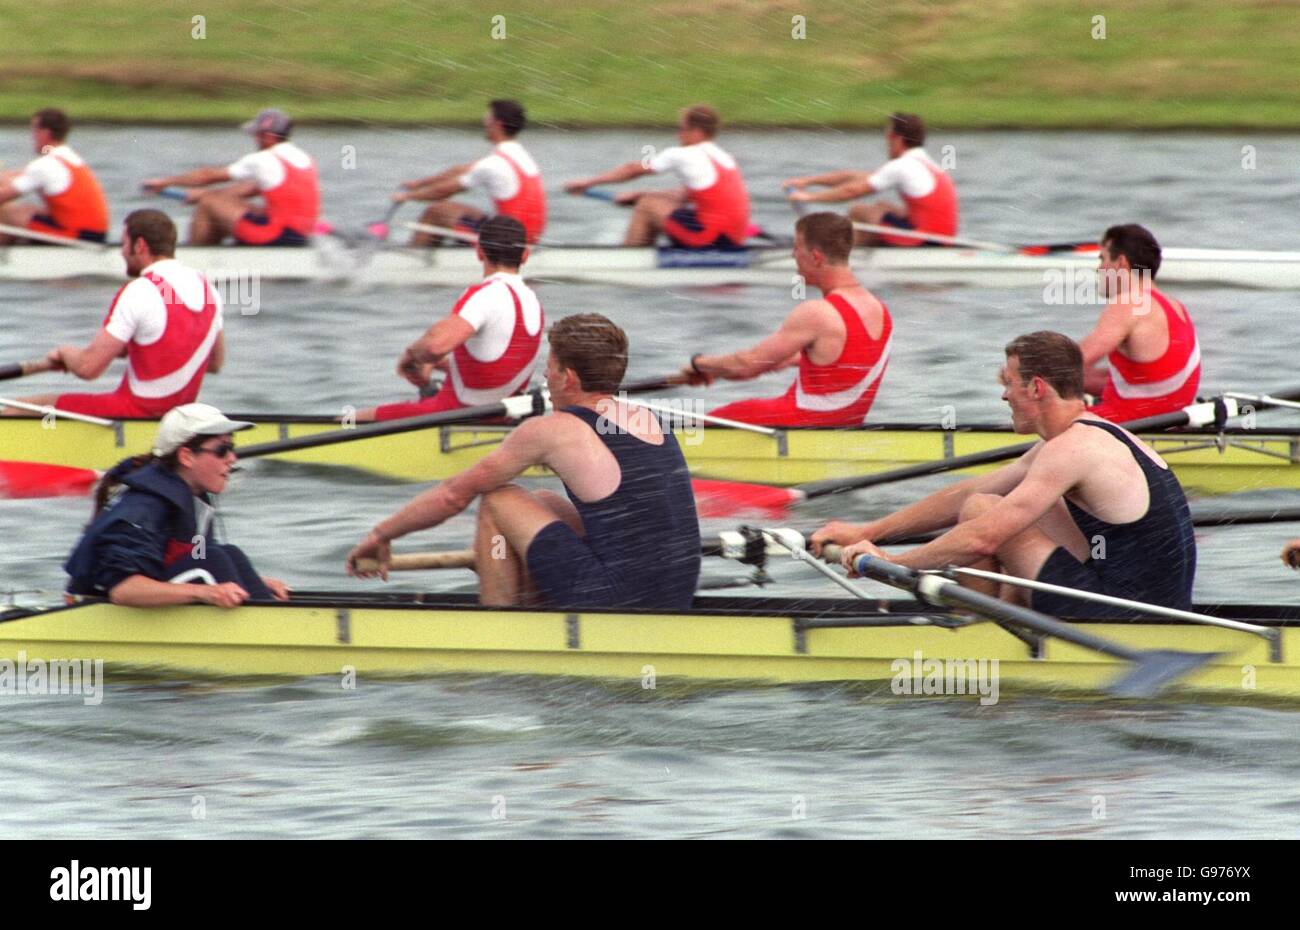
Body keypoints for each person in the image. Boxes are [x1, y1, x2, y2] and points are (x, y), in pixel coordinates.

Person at [812, 331, 1196, 617]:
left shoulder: (1071, 450)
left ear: (1037, 388)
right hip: (1154, 603)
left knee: (984, 513)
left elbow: (981, 538)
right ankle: (997, 613)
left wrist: (893, 564)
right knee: (996, 502)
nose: (1004, 396)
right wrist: (867, 532)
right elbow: (966, 493)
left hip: (1131, 615)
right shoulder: (1088, 436)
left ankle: (976, 631)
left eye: (1008, 384)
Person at [346, 314, 700, 609]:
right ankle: (533, 604)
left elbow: (454, 495)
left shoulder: (552, 431)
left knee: (497, 500)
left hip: (617, 600)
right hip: (674, 597)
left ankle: (501, 629)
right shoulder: (649, 418)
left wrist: (380, 535)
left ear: (569, 378)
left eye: (550, 367)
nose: (545, 378)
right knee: (543, 502)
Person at [1, 210, 225, 419]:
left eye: (124, 243)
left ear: (139, 245)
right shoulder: (208, 290)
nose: (121, 251)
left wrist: (67, 353)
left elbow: (89, 369)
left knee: (17, 409)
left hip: (135, 412)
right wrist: (138, 349)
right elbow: (214, 363)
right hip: (179, 417)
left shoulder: (139, 290)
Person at [64, 403, 289, 607]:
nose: (232, 459)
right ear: (186, 457)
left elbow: (197, 555)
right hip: (93, 610)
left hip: (158, 587)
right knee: (215, 559)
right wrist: (206, 592)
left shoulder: (196, 498)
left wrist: (254, 582)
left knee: (226, 553)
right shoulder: (144, 507)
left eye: (232, 448)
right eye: (222, 450)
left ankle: (272, 617)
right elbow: (124, 591)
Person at [680, 213, 892, 426]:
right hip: (842, 425)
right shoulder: (879, 309)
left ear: (816, 257)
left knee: (698, 427)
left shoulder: (816, 313)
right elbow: (844, 361)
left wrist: (698, 363)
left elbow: (748, 365)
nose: (792, 255)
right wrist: (716, 370)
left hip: (800, 422)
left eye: (797, 247)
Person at [355, 215, 543, 422]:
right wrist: (438, 365)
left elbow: (434, 347)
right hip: (504, 419)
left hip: (457, 416)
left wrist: (411, 356)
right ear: (525, 255)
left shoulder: (485, 295)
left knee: (348, 420)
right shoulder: (533, 301)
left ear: (479, 252)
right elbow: (495, 365)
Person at [564, 104, 750, 248]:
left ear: (696, 132)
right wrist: (640, 195)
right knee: (650, 200)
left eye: (681, 128)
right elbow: (683, 195)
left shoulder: (683, 153)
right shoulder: (725, 158)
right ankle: (644, 256)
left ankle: (629, 263)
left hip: (709, 238)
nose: (678, 134)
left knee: (647, 206)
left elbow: (633, 169)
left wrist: (588, 182)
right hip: (733, 237)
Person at [141, 108, 319, 246]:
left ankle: (193, 259)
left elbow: (207, 176)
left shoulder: (263, 159)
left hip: (278, 234)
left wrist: (164, 182)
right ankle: (219, 252)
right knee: (223, 202)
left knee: (209, 204)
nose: (255, 140)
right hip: (303, 233)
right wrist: (201, 194)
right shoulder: (305, 159)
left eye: (257, 135)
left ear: (268, 136)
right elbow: (250, 189)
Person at [1078, 224, 1200, 422]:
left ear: (1121, 263)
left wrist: (1023, 372)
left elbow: (1070, 362)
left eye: (1103, 259)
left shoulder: (1129, 304)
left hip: (1127, 425)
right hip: (1169, 422)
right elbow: (1148, 380)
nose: (1099, 269)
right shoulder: (1175, 307)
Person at [784, 112, 957, 247]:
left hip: (927, 240)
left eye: (887, 138)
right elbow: (853, 177)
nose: (886, 144)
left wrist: (808, 197)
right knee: (883, 206)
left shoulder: (903, 165)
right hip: (939, 236)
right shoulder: (923, 162)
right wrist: (807, 182)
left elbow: (852, 191)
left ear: (897, 139)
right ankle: (850, 249)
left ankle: (836, 254)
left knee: (858, 210)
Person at [396, 99, 546, 246]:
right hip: (526, 234)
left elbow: (443, 191)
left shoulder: (493, 164)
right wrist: (418, 184)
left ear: (497, 125)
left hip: (507, 241)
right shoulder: (517, 154)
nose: (484, 123)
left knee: (435, 212)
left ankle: (411, 264)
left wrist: (407, 196)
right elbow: (460, 170)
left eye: (487, 119)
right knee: (455, 210)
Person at [0, 108, 109, 244]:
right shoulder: (66, 156)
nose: (32, 136)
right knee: (28, 210)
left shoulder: (46, 164)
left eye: (34, 130)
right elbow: (21, 174)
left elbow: (4, 195)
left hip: (79, 236)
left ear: (45, 133)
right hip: (94, 233)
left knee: (7, 213)